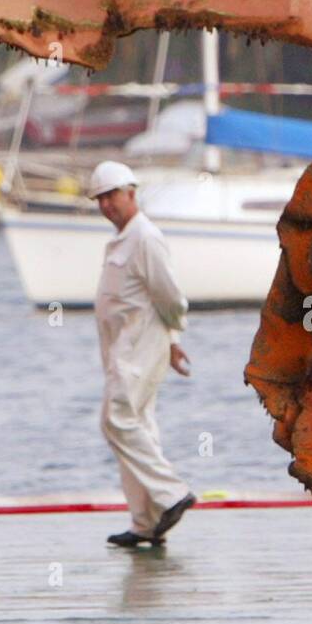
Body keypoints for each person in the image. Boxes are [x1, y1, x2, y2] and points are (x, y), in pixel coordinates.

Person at [85, 160, 196, 547]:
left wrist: (173, 338)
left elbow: (170, 295)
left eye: (112, 196)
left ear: (131, 193)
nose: (106, 205)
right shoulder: (120, 240)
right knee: (138, 426)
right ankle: (145, 523)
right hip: (121, 347)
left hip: (140, 345)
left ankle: (171, 494)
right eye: (100, 199)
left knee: (116, 420)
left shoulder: (146, 237)